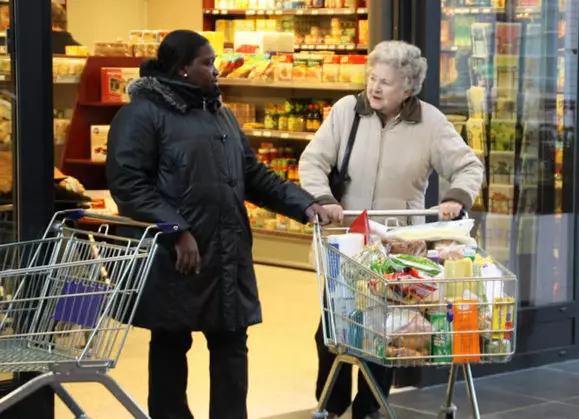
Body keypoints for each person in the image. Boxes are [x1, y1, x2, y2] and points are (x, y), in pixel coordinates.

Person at [106, 30, 329, 419]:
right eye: (207, 63)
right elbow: (129, 184)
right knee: (171, 345)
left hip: (227, 252)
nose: (216, 70)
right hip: (175, 256)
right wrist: (175, 230)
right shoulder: (141, 114)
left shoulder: (219, 113)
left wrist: (306, 205)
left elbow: (253, 175)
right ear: (182, 68)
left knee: (231, 346)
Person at [299, 40, 484, 419]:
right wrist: (322, 198)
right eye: (372, 77)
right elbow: (313, 160)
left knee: (386, 333)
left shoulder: (430, 122)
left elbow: (469, 166)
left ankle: (369, 408)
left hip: (398, 248)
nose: (375, 87)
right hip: (347, 242)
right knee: (333, 331)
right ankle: (330, 406)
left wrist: (455, 198)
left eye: (386, 81)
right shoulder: (346, 111)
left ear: (409, 87)